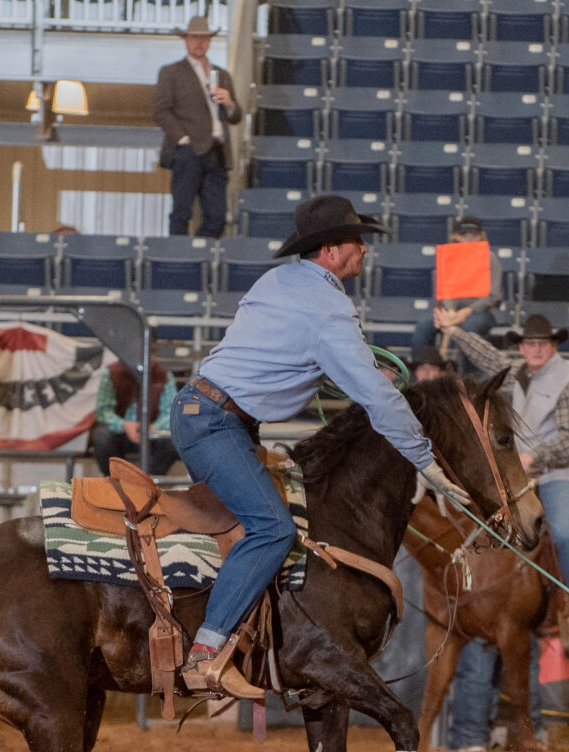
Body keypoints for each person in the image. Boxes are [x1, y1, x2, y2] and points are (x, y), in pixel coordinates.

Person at [170, 195, 468, 692]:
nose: (364, 252)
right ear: (331, 250)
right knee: (273, 529)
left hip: (210, 414)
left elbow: (301, 361)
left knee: (261, 523)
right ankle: (205, 652)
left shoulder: (282, 282)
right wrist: (425, 458)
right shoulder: (328, 308)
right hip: (217, 422)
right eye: (358, 242)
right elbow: (374, 394)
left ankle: (245, 641)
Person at [441, 312, 569, 651]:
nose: (535, 348)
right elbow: (488, 357)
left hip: (558, 472)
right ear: (523, 346)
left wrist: (533, 457)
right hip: (520, 474)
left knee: (564, 533)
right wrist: (454, 331)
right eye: (529, 343)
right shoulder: (517, 374)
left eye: (542, 343)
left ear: (554, 345)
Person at [154, 15, 243, 239]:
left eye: (203, 38)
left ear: (210, 41)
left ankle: (197, 257)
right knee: (181, 212)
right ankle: (180, 261)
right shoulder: (171, 72)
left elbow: (235, 116)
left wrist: (229, 102)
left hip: (217, 150)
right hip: (189, 150)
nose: (199, 42)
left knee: (217, 218)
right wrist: (183, 138)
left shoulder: (222, 75)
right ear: (185, 40)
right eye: (194, 37)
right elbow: (160, 110)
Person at [415, 214, 502, 357]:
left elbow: (493, 295)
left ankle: (473, 376)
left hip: (480, 312)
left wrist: (467, 311)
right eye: (464, 235)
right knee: (423, 327)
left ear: (481, 236)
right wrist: (450, 311)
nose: (469, 239)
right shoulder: (448, 258)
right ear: (457, 237)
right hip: (452, 311)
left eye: (473, 235)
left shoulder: (490, 258)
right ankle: (423, 370)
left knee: (470, 328)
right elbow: (443, 290)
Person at [93, 358, 180, 476]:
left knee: (173, 441)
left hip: (152, 433)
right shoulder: (111, 372)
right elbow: (103, 411)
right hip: (120, 434)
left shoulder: (164, 375)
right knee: (101, 437)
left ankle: (147, 483)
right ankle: (116, 482)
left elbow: (170, 413)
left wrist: (152, 428)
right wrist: (124, 425)